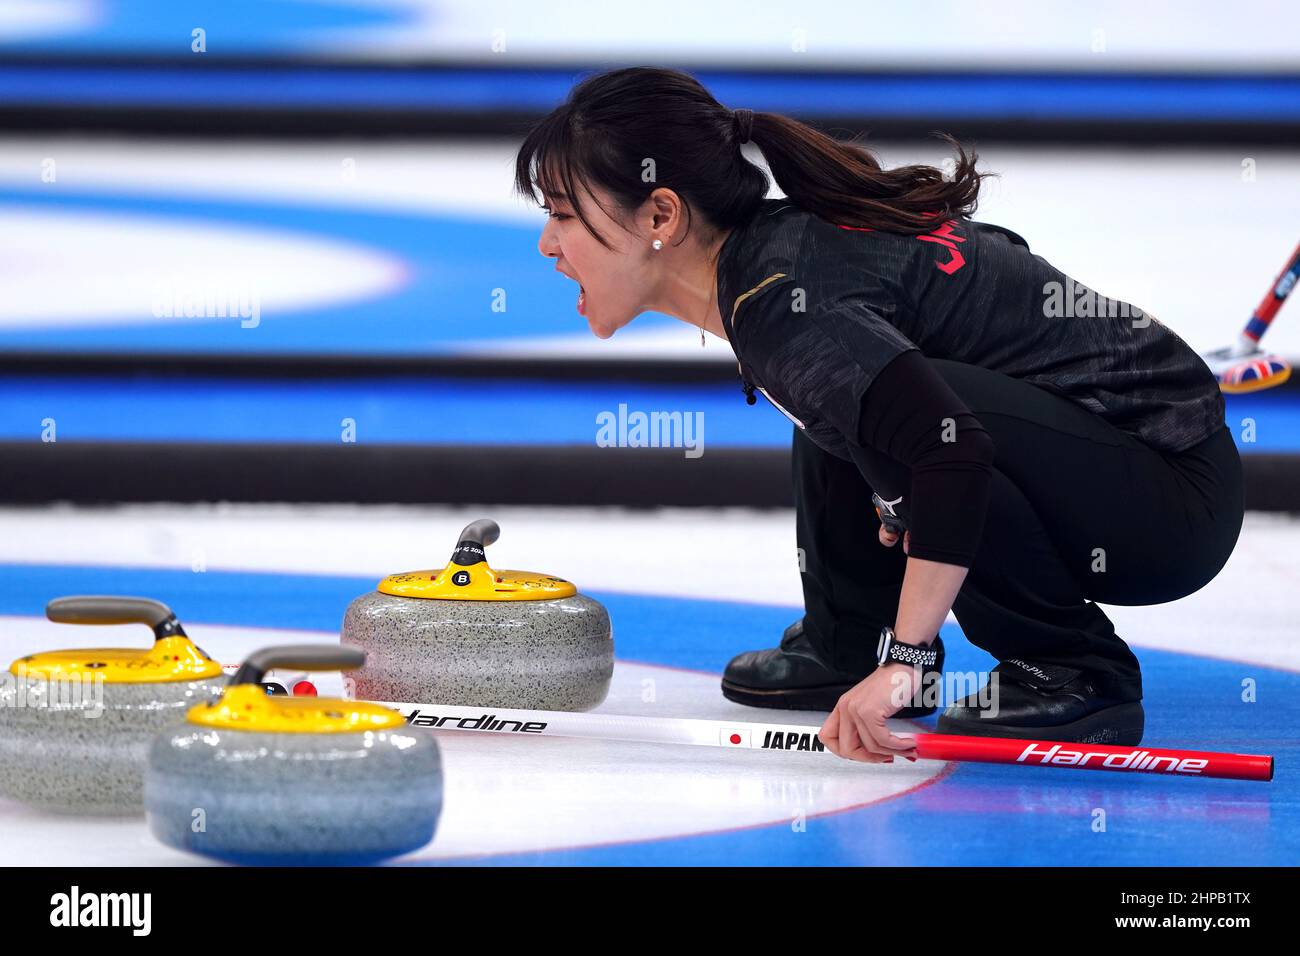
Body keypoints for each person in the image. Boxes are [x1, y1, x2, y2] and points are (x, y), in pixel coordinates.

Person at [515, 67, 1243, 764]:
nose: (547, 244)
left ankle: (1073, 670)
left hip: (1168, 507)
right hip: (1125, 464)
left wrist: (909, 660)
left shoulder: (783, 298)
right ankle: (849, 640)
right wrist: (897, 495)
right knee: (857, 397)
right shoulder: (772, 264)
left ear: (661, 214)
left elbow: (951, 451)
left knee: (915, 413)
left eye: (563, 214)